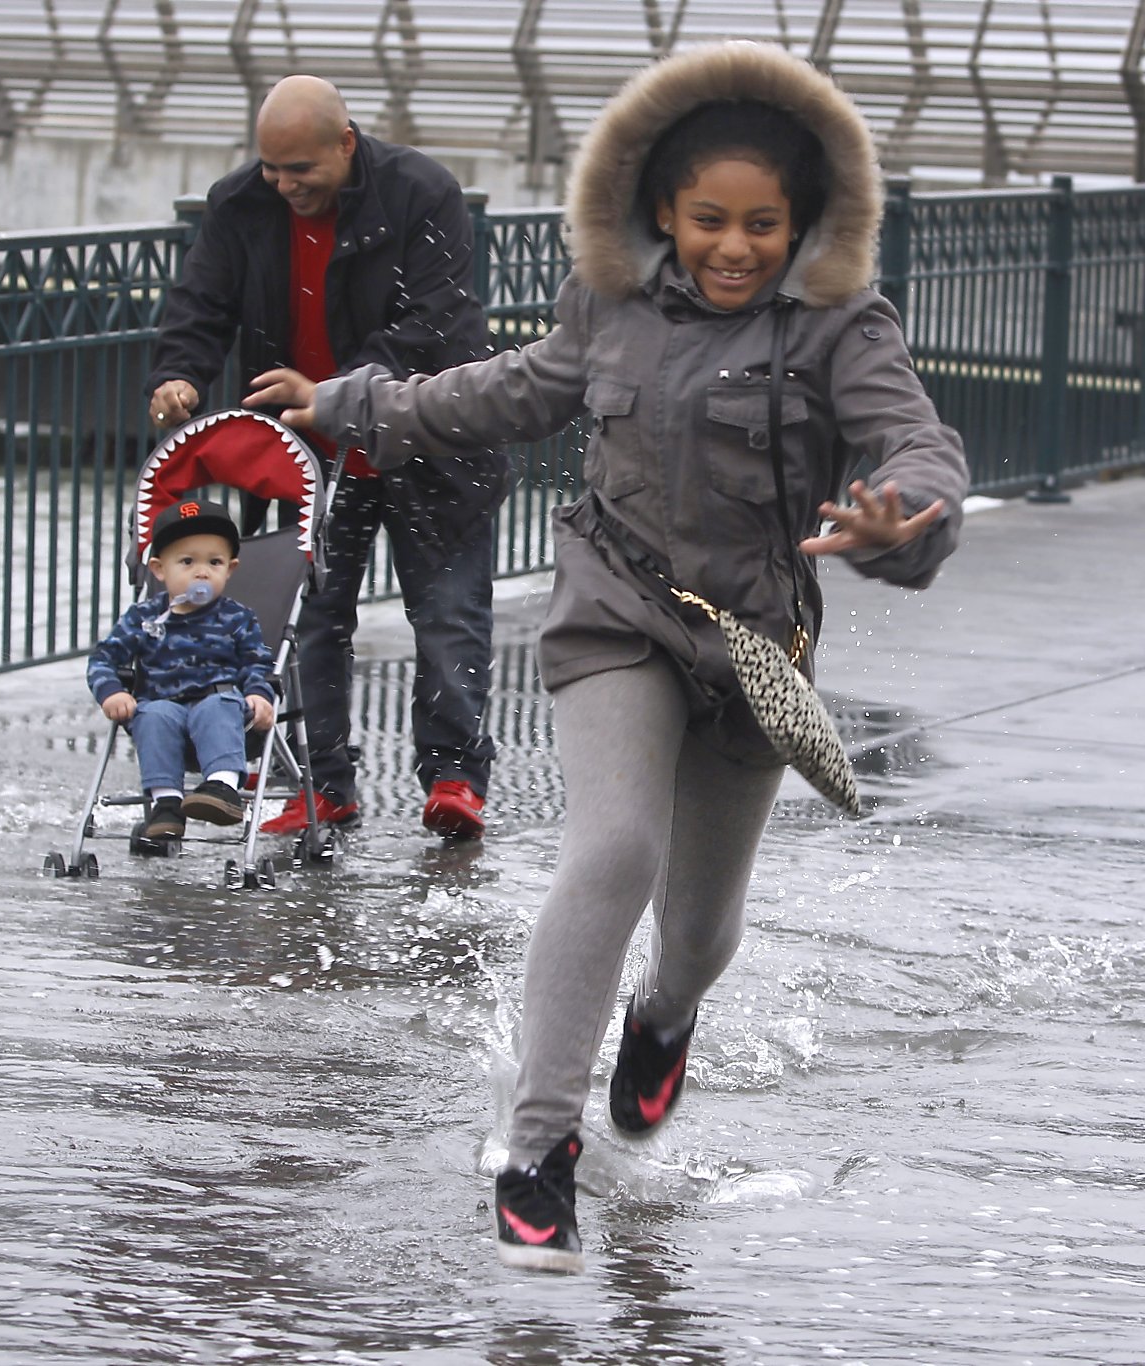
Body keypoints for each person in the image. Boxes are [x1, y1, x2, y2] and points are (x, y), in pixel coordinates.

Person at [250, 42, 969, 1272]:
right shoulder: (611, 304)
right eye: (706, 221)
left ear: (801, 224)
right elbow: (507, 390)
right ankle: (537, 1153)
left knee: (699, 929)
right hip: (615, 606)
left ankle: (665, 1015)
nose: (732, 247)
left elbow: (917, 439)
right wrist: (350, 403)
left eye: (760, 225)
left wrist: (903, 513)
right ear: (661, 214)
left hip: (750, 643)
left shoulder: (842, 321)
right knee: (615, 847)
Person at [147, 74, 508, 841]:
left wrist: (338, 389)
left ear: (345, 144)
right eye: (272, 169)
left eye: (301, 170)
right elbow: (201, 301)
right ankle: (319, 784)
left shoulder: (422, 192)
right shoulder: (242, 203)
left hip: (431, 441)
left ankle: (454, 779)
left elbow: (435, 322)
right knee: (307, 624)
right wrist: (179, 372)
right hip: (308, 458)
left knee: (447, 618)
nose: (285, 186)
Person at [86, 500, 277, 843]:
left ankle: (221, 788)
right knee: (152, 713)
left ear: (230, 569)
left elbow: (257, 664)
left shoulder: (238, 618)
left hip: (224, 716)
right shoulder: (144, 618)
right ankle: (166, 805)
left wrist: (260, 695)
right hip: (163, 708)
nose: (202, 572)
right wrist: (112, 691)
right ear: (160, 570)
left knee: (219, 704)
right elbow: (103, 659)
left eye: (214, 562)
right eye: (187, 562)